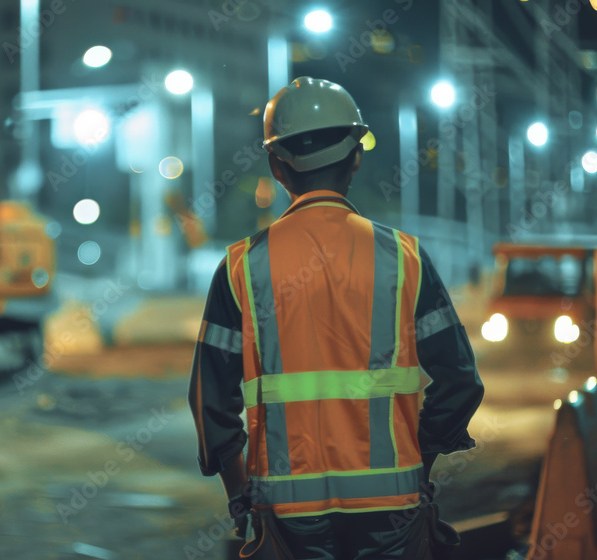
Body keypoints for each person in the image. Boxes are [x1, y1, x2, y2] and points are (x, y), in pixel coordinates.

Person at [188, 77, 485, 559]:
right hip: (394, 510)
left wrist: (239, 492)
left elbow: (209, 402)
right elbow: (461, 382)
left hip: (284, 516)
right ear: (357, 157)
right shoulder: (405, 258)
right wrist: (420, 461)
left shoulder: (240, 266)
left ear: (276, 165)